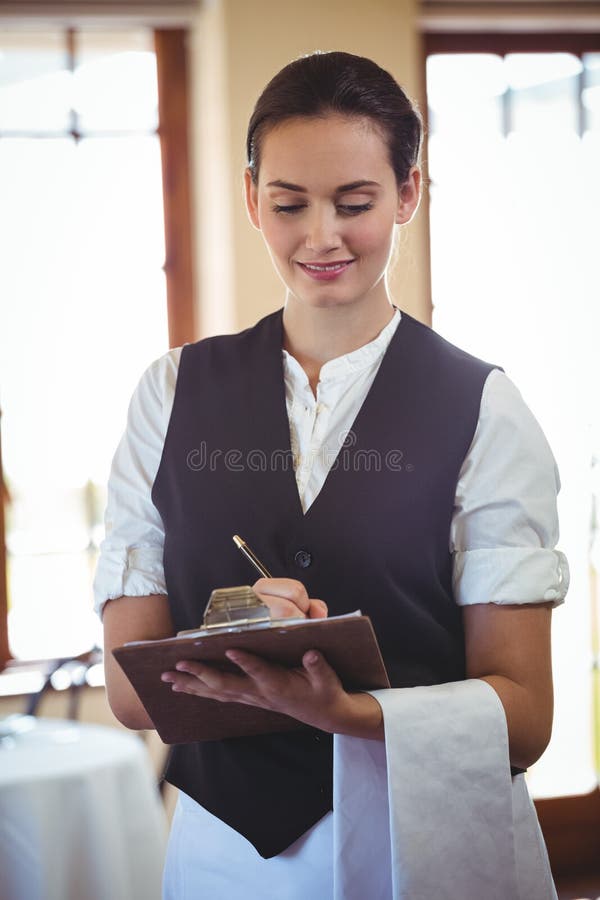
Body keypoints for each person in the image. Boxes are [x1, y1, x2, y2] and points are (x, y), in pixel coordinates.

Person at [94, 51, 568, 899]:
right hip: (228, 858)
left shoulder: (486, 409)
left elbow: (525, 719)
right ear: (252, 201)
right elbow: (130, 696)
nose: (322, 237)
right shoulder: (169, 394)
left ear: (409, 194)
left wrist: (351, 714)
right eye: (288, 205)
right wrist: (234, 631)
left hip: (425, 845)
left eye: (356, 203)